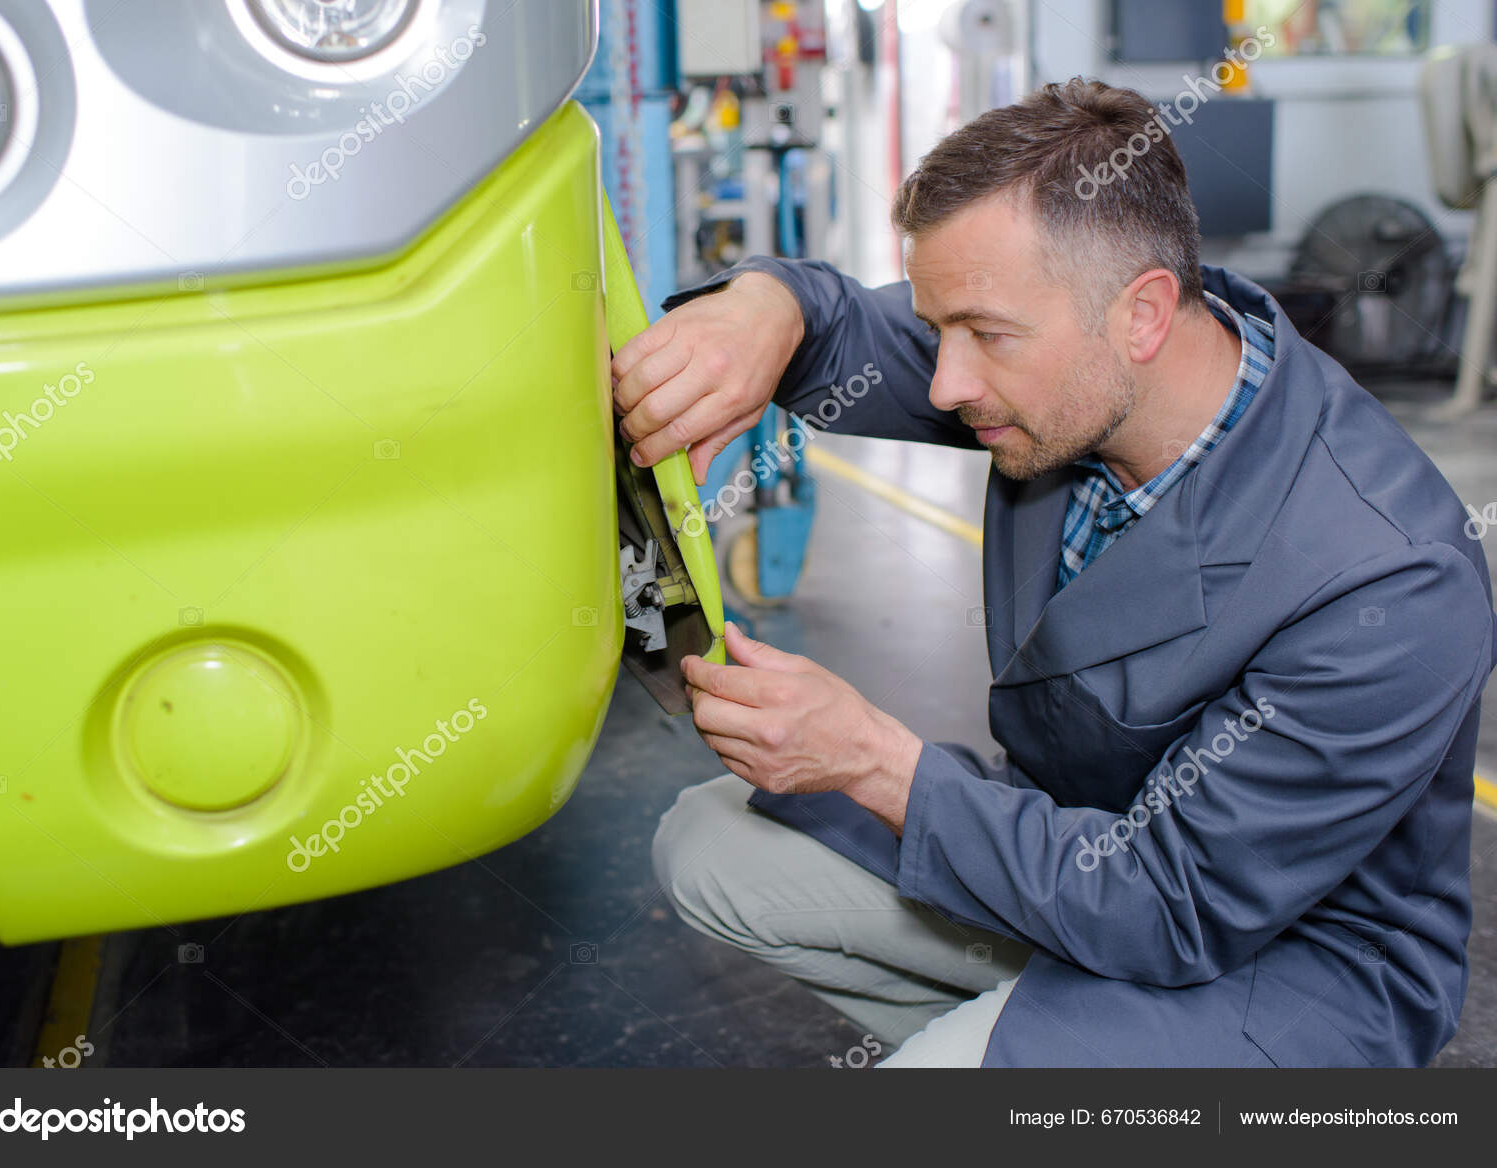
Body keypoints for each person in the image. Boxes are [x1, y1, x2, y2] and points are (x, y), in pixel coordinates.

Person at [619, 78, 1496, 1067]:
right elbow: (834, 329)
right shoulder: (1069, 361)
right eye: (936, 326)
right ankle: (1024, 1041)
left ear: (1142, 315)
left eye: (983, 334)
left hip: (1286, 967)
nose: (945, 384)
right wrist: (760, 309)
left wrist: (872, 758)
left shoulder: (1387, 579)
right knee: (713, 845)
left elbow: (1175, 905)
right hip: (1077, 855)